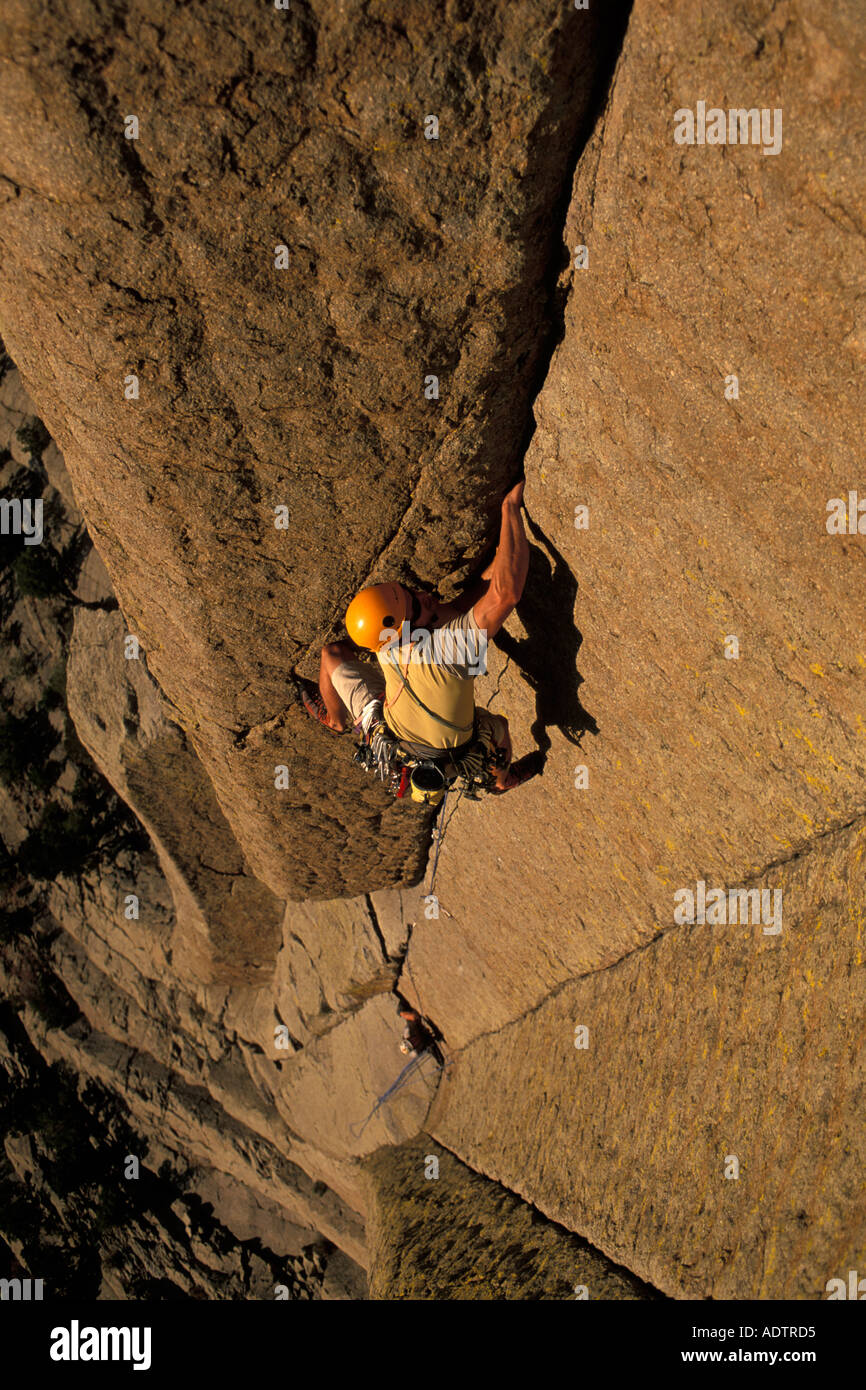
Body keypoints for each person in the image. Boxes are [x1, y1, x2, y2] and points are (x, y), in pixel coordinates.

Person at [309, 480, 529, 793]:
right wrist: (509, 509)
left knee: (331, 654)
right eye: (416, 603)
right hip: (453, 751)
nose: (424, 594)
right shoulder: (448, 649)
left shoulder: (383, 641)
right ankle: (501, 781)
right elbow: (505, 594)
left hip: (389, 734)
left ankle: (335, 720)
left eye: (410, 592)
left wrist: (499, 560)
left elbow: (457, 608)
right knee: (499, 726)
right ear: (404, 629)